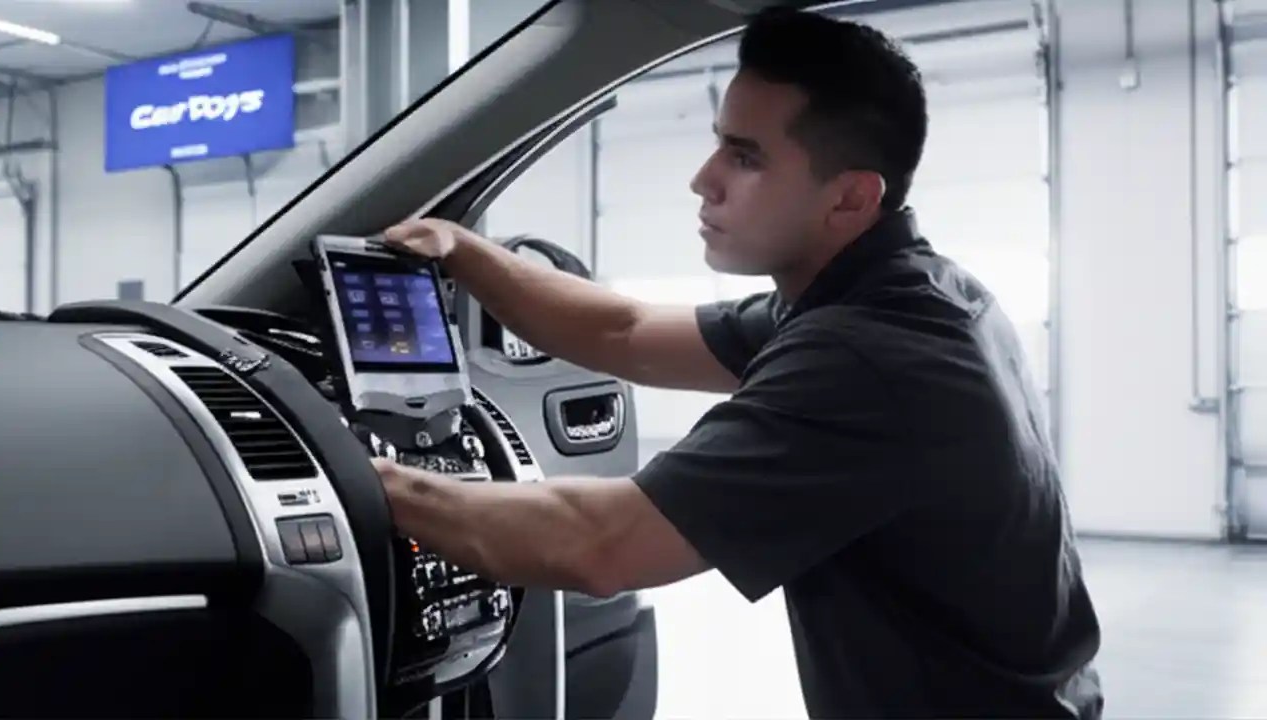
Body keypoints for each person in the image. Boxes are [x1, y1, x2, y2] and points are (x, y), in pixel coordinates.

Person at [374, 6, 1104, 718]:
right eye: (720, 142)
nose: (704, 178)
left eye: (745, 156)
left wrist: (366, 483)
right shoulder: (894, 293)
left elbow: (603, 544)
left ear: (849, 199)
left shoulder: (871, 355)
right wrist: (463, 250)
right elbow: (624, 331)